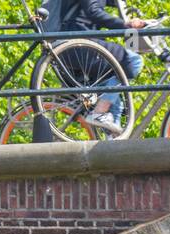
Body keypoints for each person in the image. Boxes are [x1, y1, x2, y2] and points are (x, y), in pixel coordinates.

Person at [58, 0, 148, 135]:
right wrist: (125, 25)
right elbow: (93, 11)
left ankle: (114, 145)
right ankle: (99, 112)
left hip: (74, 46)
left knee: (114, 100)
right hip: (80, 45)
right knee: (133, 61)